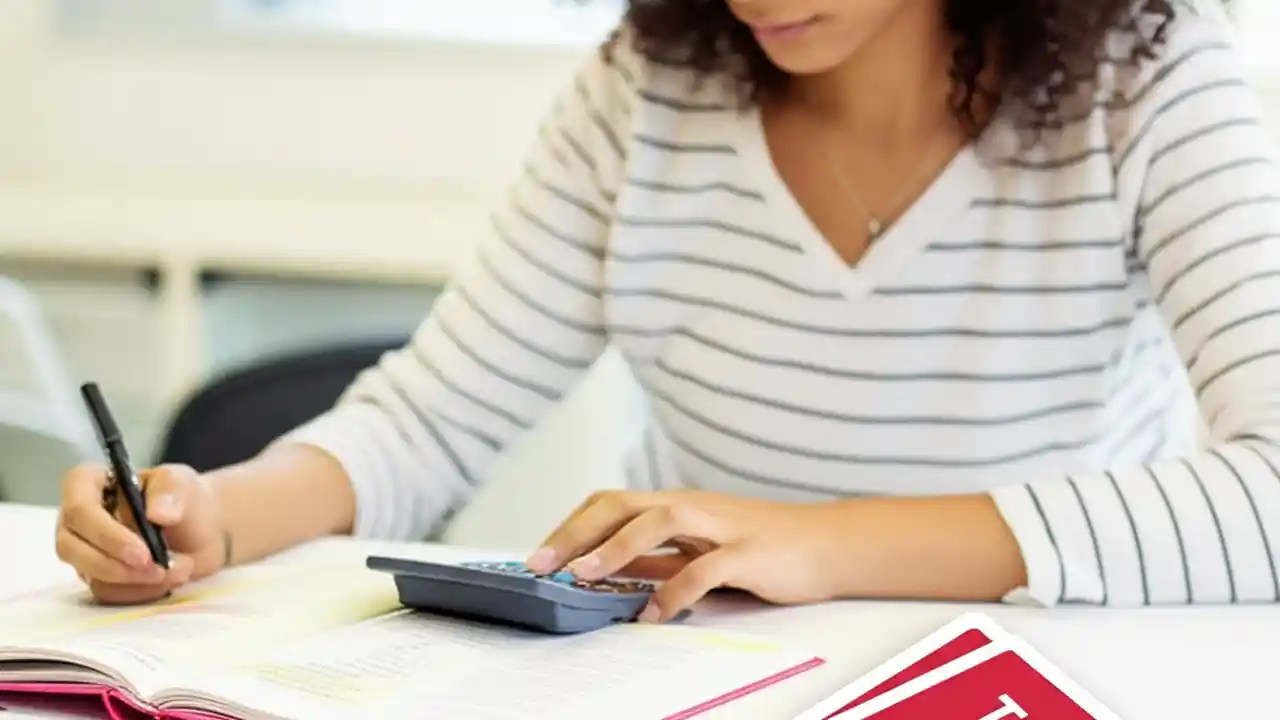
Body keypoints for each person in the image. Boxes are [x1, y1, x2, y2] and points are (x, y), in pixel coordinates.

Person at [57, 0, 1280, 621]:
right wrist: (216, 515)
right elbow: (432, 416)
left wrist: (818, 543)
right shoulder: (649, 87)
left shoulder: (1150, 78)